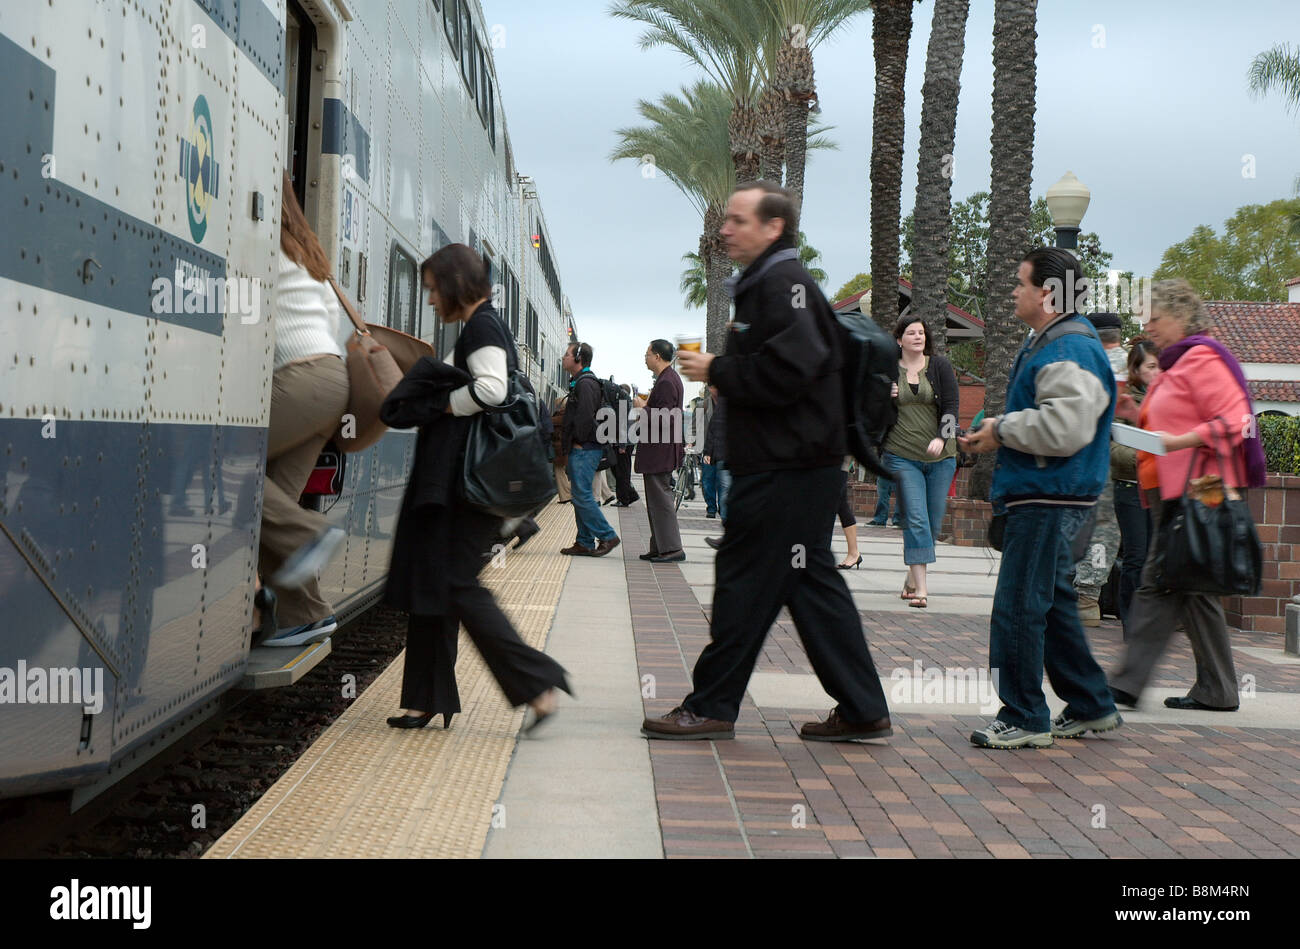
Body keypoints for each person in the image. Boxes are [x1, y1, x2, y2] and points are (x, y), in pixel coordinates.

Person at [643, 180, 891, 742]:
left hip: (786, 469)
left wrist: (718, 370)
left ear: (773, 227)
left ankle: (711, 705)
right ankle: (862, 707)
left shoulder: (782, 283)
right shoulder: (770, 283)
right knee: (808, 585)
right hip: (798, 466)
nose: (725, 229)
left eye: (738, 220)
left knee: (743, 583)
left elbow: (796, 367)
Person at [381, 244, 570, 731]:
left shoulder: (483, 325)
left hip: (465, 490)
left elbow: (492, 390)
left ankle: (536, 682)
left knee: (457, 585)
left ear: (452, 283)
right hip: (453, 487)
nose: (429, 300)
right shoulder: (481, 325)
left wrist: (441, 405)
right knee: (434, 585)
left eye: (431, 289)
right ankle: (425, 698)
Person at [959, 246, 1122, 749]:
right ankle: (1092, 703)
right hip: (1056, 494)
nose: (1013, 290)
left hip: (1049, 497)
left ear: (1048, 294)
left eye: (1020, 282)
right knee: (1051, 606)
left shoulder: (1066, 347)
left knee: (1019, 606)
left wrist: (999, 429)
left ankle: (1025, 714)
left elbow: (1065, 426)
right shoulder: (1060, 342)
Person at [1108, 280, 1265, 712]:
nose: (1149, 327)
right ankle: (1218, 689)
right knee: (1192, 585)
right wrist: (1133, 415)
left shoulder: (1202, 359)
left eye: (1155, 319)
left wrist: (1177, 442)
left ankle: (1125, 683)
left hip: (1199, 487)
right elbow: (1175, 416)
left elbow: (1236, 422)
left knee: (1160, 581)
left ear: (1181, 315)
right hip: (1182, 486)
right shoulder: (1179, 362)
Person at [258, 173, 349, 647]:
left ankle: (309, 533)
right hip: (332, 380)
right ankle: (308, 614)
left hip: (298, 378)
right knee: (266, 507)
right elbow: (331, 322)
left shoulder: (257, 241)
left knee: (225, 469)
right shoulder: (308, 252)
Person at [881, 314, 959, 608]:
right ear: (899, 340)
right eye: (911, 333)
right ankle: (922, 590)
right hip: (902, 456)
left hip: (942, 457)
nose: (918, 337)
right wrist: (884, 395)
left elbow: (952, 405)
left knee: (932, 523)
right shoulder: (887, 370)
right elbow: (869, 408)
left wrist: (942, 436)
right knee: (915, 518)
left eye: (922, 333)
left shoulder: (939, 366)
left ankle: (912, 578)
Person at [1072, 312, 1126, 627]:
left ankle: (1085, 596)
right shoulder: (1134, 363)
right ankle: (1092, 597)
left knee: (1095, 528)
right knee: (1109, 531)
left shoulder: (1085, 362)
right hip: (1132, 464)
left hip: (1089, 459)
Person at [1111, 340, 1160, 634]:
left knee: (1154, 557)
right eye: (1150, 366)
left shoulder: (1167, 399)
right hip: (1130, 487)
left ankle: (1149, 619)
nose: (1157, 372)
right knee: (1136, 555)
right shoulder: (1125, 399)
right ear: (1136, 369)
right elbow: (1114, 448)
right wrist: (1148, 456)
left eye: (1159, 366)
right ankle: (1130, 619)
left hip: (1158, 490)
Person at [560, 341, 620, 557]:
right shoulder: (581, 382)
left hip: (585, 448)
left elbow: (584, 418)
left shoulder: (586, 384)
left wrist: (577, 442)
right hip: (584, 447)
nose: (563, 357)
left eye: (567, 354)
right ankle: (584, 542)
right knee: (580, 495)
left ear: (578, 359)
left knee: (582, 496)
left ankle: (607, 535)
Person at [634, 339, 686, 563]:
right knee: (656, 501)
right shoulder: (669, 378)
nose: (644, 358)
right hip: (662, 450)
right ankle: (660, 546)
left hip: (660, 451)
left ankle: (672, 548)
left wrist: (641, 410)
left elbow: (664, 419)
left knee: (661, 500)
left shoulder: (665, 382)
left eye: (646, 354)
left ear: (657, 356)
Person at [702, 385, 729, 550]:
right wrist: (707, 451)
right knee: (723, 490)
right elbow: (712, 431)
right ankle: (728, 533)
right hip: (722, 454)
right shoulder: (707, 406)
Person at [612, 383, 641, 506]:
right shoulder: (631, 404)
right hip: (629, 441)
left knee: (621, 471)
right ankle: (630, 495)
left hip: (623, 443)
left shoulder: (624, 404)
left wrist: (622, 445)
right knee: (623, 470)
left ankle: (624, 498)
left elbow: (623, 425)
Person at [693, 389, 719, 517]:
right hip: (706, 448)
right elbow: (693, 427)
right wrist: (691, 442)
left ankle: (723, 508)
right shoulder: (701, 406)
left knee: (723, 481)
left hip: (724, 449)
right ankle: (711, 507)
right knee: (708, 480)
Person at [836, 459, 862, 569]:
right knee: (841, 504)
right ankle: (853, 553)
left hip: (838, 461)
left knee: (841, 504)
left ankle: (854, 553)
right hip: (828, 460)